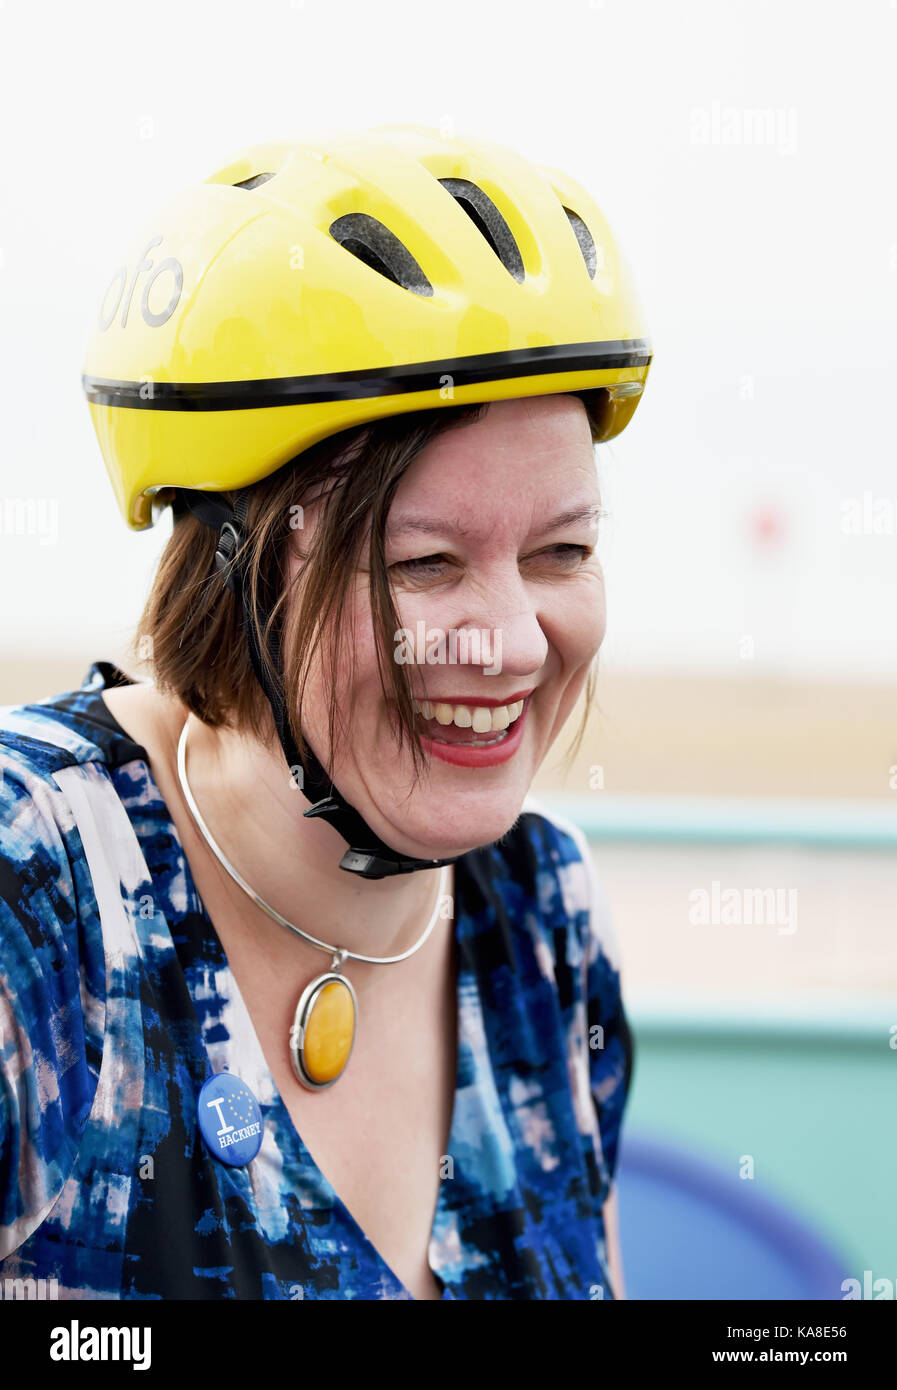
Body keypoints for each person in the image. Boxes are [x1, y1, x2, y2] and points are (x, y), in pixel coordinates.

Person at [0, 124, 651, 1300]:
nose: (507, 641)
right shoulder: (38, 891)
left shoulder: (541, 916)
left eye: (562, 551)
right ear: (233, 570)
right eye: (426, 563)